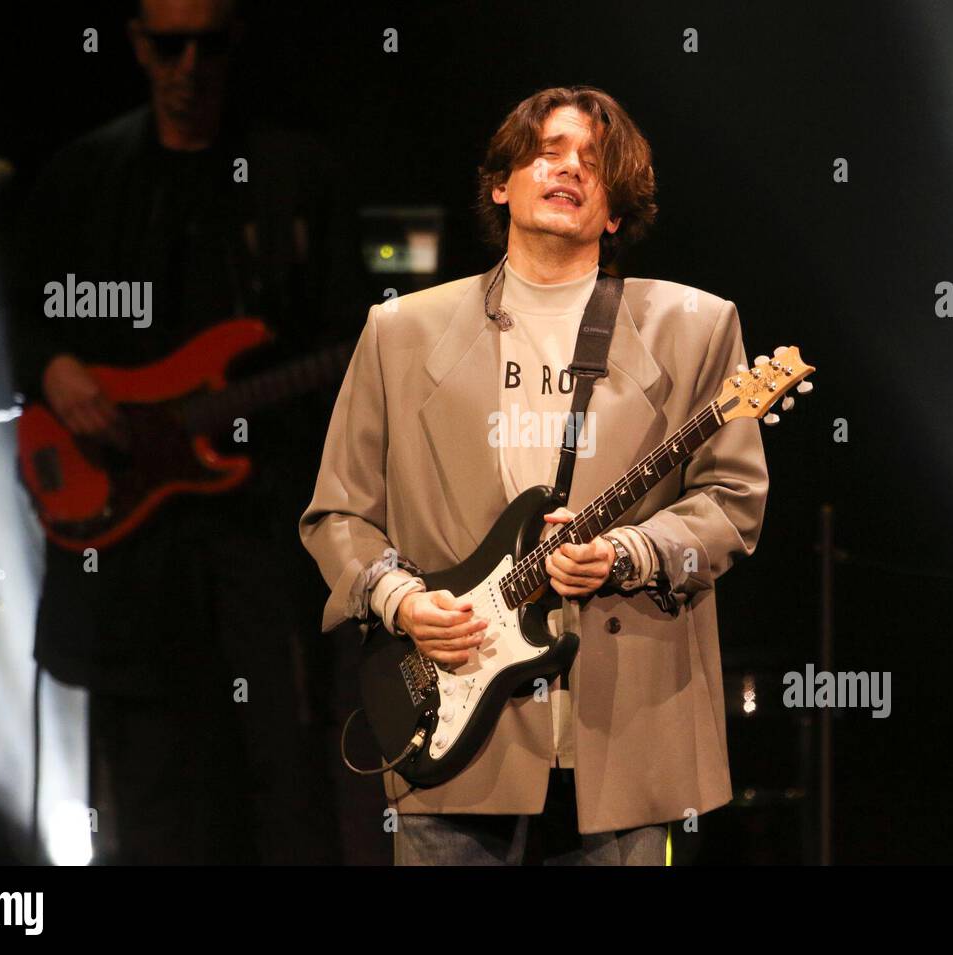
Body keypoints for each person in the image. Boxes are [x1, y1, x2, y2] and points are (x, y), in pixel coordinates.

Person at [300, 86, 769, 865]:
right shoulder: (400, 331)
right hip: (447, 728)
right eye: (548, 151)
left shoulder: (697, 326)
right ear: (501, 182)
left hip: (626, 737)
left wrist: (631, 552)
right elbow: (338, 513)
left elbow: (734, 502)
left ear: (615, 212)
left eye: (594, 161)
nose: (571, 169)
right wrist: (403, 601)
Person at [10, 0, 370, 863]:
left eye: (207, 43)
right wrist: (54, 368)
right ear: (136, 44)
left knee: (283, 781)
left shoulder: (295, 174)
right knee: (157, 797)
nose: (188, 65)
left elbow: (349, 342)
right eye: (168, 44)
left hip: (260, 536)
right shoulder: (85, 176)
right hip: (130, 560)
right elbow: (14, 314)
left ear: (235, 42)